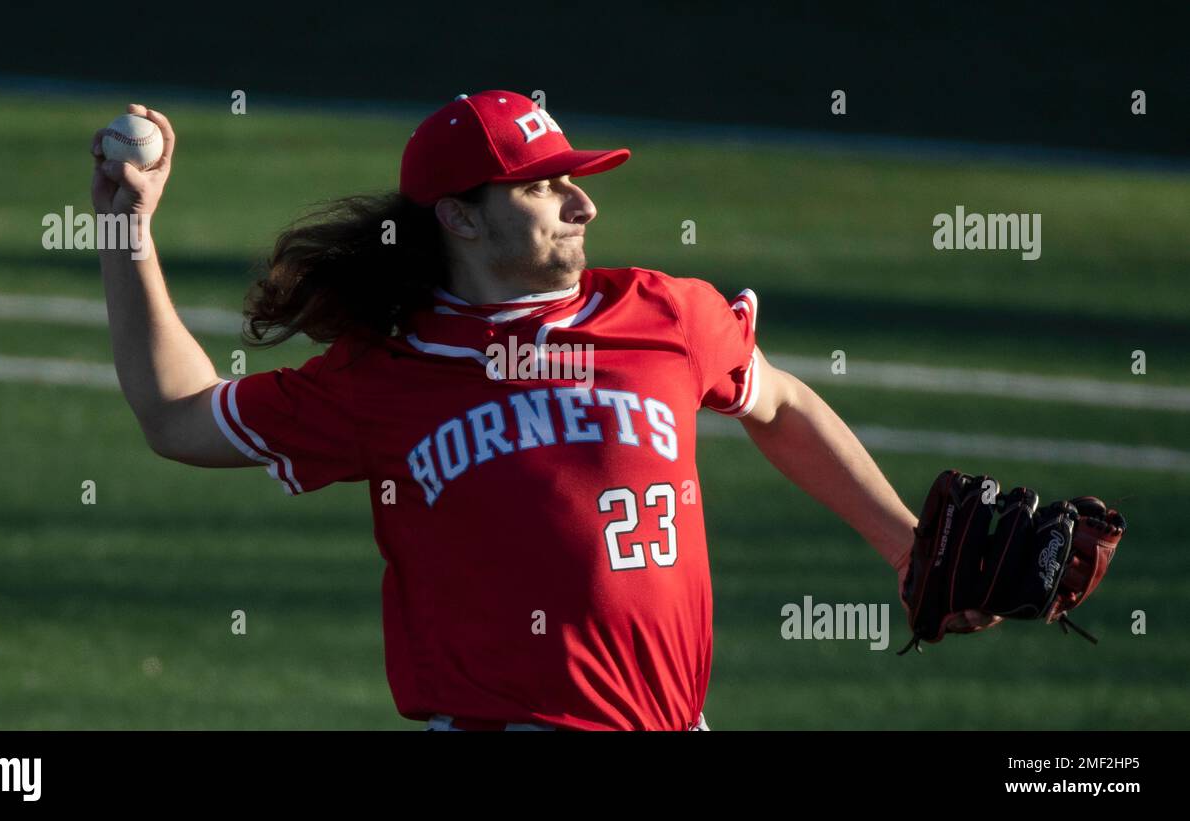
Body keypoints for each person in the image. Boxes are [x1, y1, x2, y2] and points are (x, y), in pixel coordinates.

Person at [91, 90, 998, 731]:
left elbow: (780, 401)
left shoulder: (666, 315)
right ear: (460, 219)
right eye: (541, 186)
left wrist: (906, 545)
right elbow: (176, 413)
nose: (582, 202)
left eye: (575, 178)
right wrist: (127, 228)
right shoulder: (388, 375)